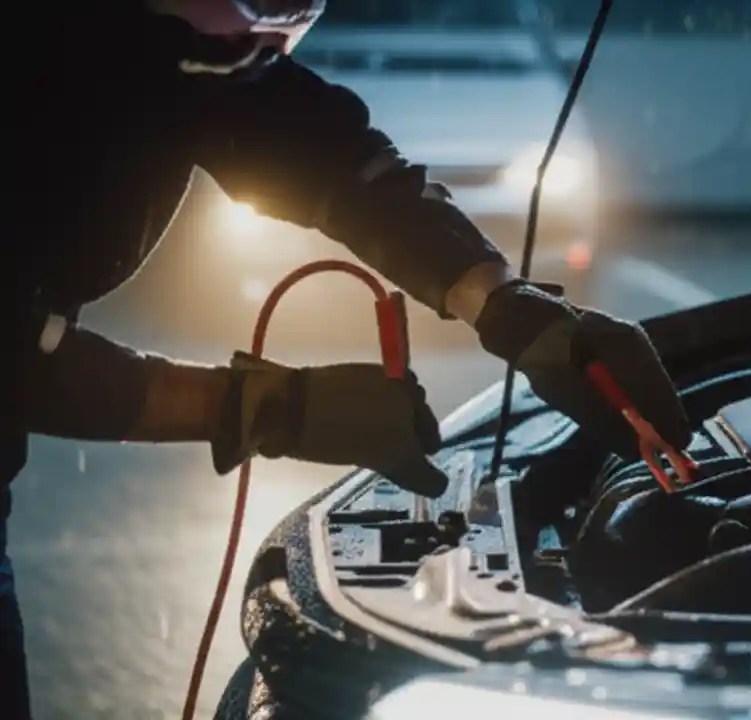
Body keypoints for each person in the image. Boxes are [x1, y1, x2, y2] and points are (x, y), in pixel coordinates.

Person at [3, 1, 692, 716]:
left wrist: (505, 303)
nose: (273, 30)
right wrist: (263, 407)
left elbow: (330, 159)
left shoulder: (190, 53)